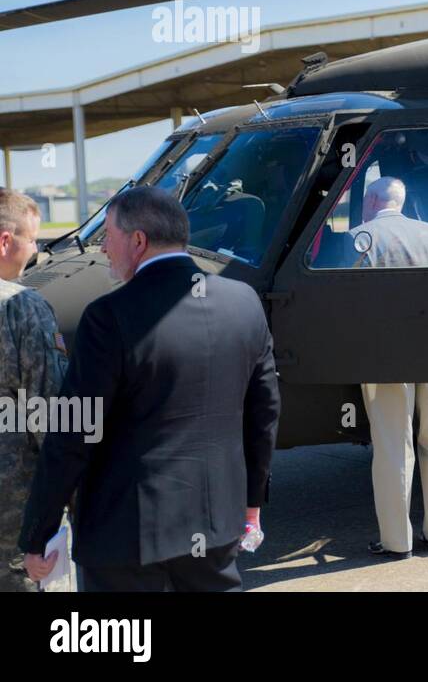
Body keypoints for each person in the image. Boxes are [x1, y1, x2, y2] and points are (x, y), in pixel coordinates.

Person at [19, 186, 280, 591]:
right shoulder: (244, 302)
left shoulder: (108, 316)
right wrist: (251, 504)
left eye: (108, 235)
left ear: (138, 241)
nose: (104, 248)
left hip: (126, 537)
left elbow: (72, 434)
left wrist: (38, 533)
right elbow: (264, 414)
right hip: (216, 525)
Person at [351, 176, 428, 559]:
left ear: (373, 201)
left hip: (385, 357)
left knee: (395, 445)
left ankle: (397, 542)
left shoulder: (359, 238)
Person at [0, 190, 68, 592]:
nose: (37, 249)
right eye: (32, 239)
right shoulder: (23, 306)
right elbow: (52, 414)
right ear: (6, 241)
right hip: (15, 513)